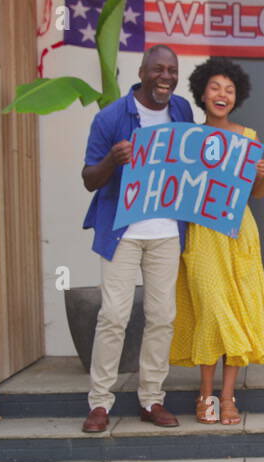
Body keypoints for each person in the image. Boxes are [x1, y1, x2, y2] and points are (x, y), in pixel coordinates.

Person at [80, 45, 192, 433]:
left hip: (165, 232)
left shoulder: (181, 111)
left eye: (172, 70)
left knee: (162, 318)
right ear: (142, 71)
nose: (166, 76)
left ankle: (151, 399)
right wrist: (113, 161)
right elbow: (88, 178)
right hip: (123, 232)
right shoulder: (111, 118)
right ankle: (99, 403)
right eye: (158, 69)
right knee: (113, 317)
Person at [169, 57, 264, 425]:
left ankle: (227, 398)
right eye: (215, 87)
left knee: (236, 311)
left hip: (238, 233)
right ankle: (205, 395)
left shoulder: (249, 137)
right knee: (211, 313)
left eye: (229, 90)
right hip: (200, 236)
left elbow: (257, 194)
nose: (222, 94)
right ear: (201, 93)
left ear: (237, 97)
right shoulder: (187, 137)